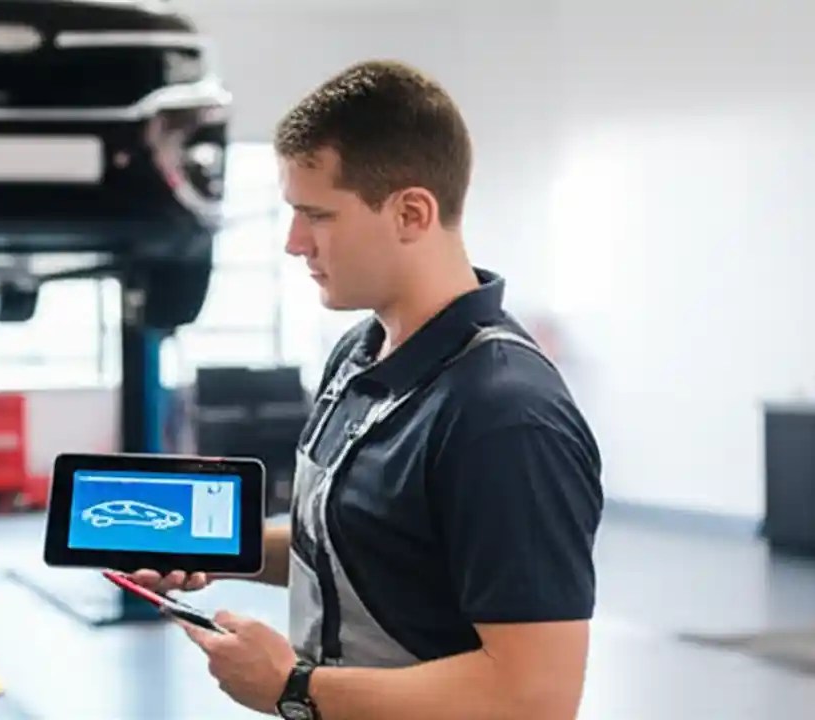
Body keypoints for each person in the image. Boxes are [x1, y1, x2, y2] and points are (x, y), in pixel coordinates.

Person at [133, 59, 603, 719]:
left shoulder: (505, 415)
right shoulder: (358, 355)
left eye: (316, 215)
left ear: (411, 212)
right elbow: (359, 544)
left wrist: (293, 688)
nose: (295, 243)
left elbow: (534, 696)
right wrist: (219, 547)